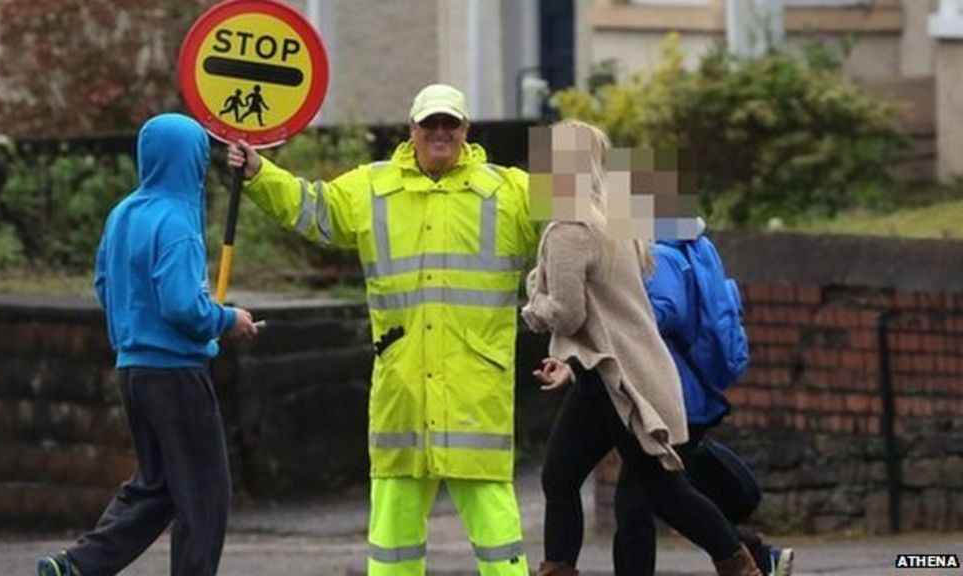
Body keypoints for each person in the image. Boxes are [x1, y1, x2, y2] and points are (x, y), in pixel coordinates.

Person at [227, 84, 537, 576]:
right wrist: (260, 173)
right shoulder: (372, 187)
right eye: (429, 124)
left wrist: (666, 202)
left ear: (466, 131)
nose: (439, 133)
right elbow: (312, 208)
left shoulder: (510, 191)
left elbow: (589, 218)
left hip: (472, 393)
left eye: (449, 124)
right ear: (411, 130)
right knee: (393, 538)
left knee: (498, 537)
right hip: (404, 390)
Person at [522, 120, 762, 576]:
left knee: (663, 489)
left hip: (622, 382)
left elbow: (568, 313)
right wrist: (572, 366)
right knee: (560, 475)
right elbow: (606, 314)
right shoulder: (617, 224)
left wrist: (533, 308)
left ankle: (742, 562)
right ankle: (557, 567)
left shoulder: (569, 229)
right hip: (611, 375)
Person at [37, 113, 259, 576]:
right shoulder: (178, 220)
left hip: (132, 370)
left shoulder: (124, 213)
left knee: (158, 487)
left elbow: (104, 283)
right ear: (191, 159)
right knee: (205, 495)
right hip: (176, 373)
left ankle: (76, 566)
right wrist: (225, 319)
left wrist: (136, 327)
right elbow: (182, 305)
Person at [610, 232, 794, 576]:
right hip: (685, 394)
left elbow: (667, 310)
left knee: (640, 500)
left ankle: (751, 555)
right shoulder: (694, 245)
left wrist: (612, 302)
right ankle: (754, 554)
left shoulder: (662, 253)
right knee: (656, 494)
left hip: (674, 395)